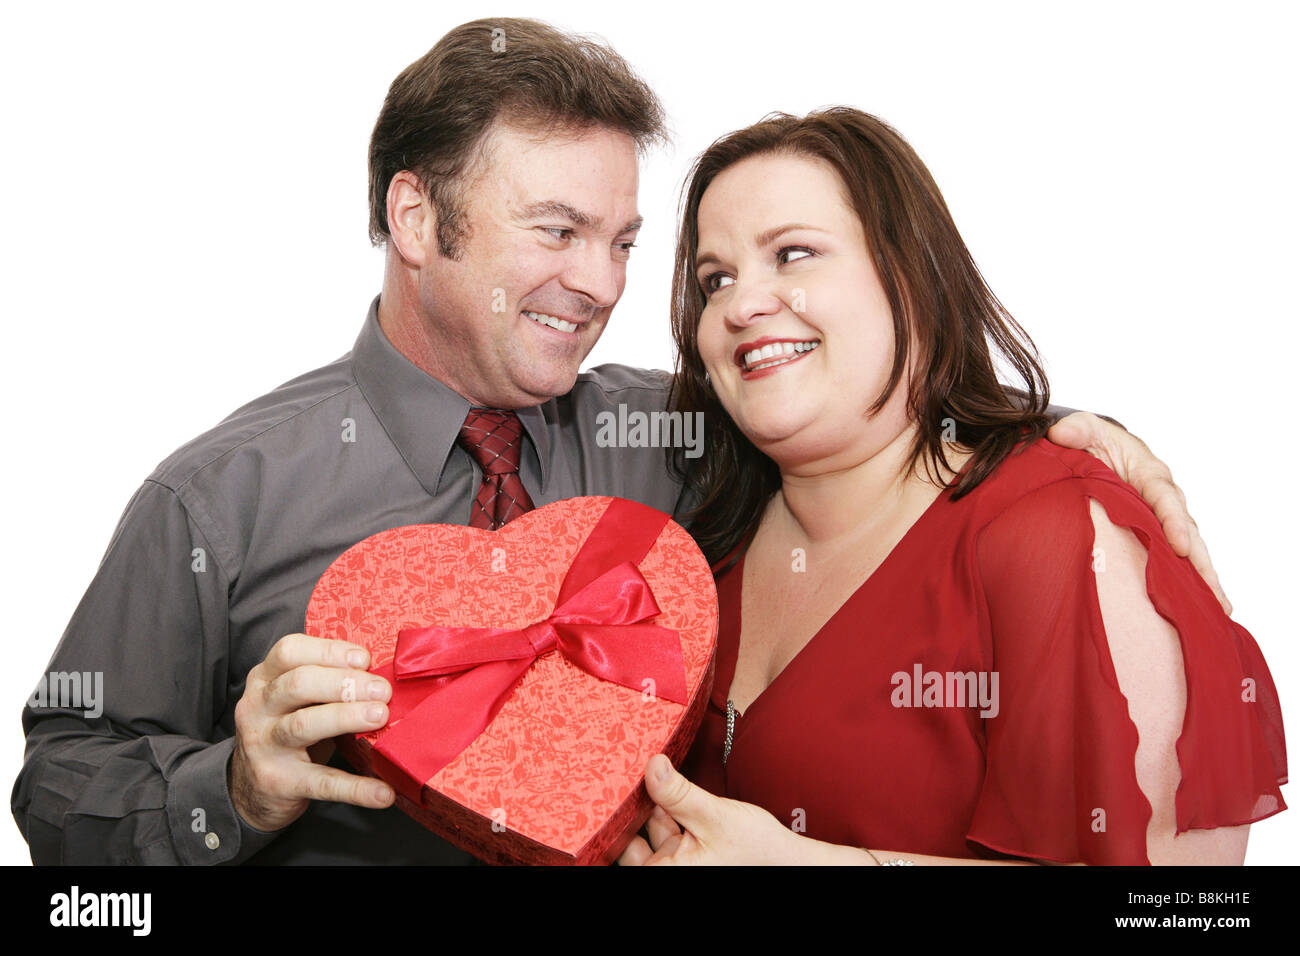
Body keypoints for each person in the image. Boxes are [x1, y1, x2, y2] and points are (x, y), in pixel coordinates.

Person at [12, 21, 1220, 866]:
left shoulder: (680, 436)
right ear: (416, 217)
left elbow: (854, 407)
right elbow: (60, 778)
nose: (597, 285)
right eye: (558, 230)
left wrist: (1042, 424)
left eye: (627, 243)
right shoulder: (217, 498)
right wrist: (229, 789)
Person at [620, 108, 1287, 866]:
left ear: (912, 276)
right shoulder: (701, 541)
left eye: (795, 253)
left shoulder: (1060, 534)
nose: (741, 305)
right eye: (717, 279)